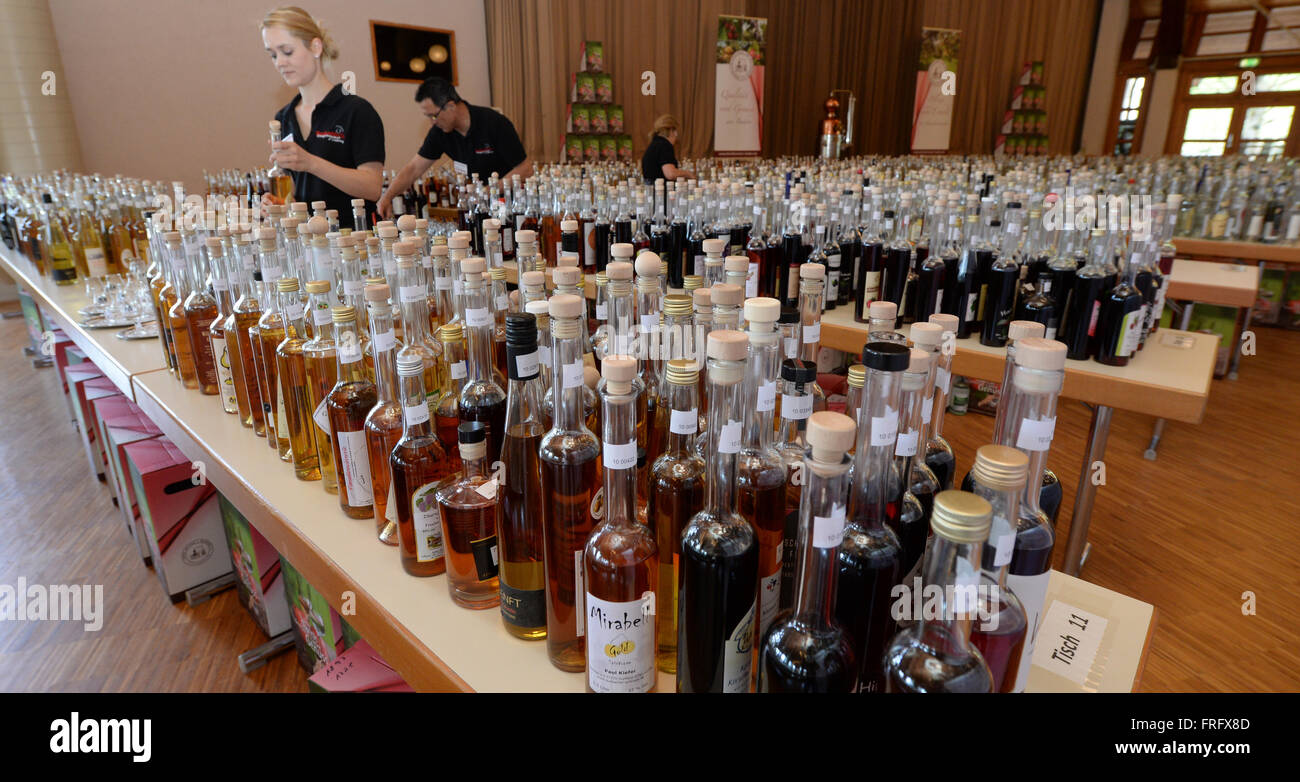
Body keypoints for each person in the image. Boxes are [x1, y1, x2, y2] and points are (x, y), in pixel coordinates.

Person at [262, 6, 385, 230]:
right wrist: (278, 203)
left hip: (353, 242)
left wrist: (311, 163)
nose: (279, 62)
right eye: (272, 54)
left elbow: (372, 187)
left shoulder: (356, 110)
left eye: (287, 51)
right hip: (306, 243)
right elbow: (295, 192)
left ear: (315, 47)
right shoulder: (283, 118)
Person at [377, 77, 532, 219]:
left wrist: (486, 192)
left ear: (450, 106)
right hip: (478, 206)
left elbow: (525, 169)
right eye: (428, 117)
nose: (432, 123)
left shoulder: (493, 123)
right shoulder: (440, 133)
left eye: (434, 116)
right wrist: (386, 197)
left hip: (510, 205)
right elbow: (414, 168)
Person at [642, 115, 694, 183]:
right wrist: (688, 174)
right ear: (672, 131)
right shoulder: (664, 145)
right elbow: (670, 174)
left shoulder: (655, 144)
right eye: (675, 130)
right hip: (661, 191)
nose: (676, 135)